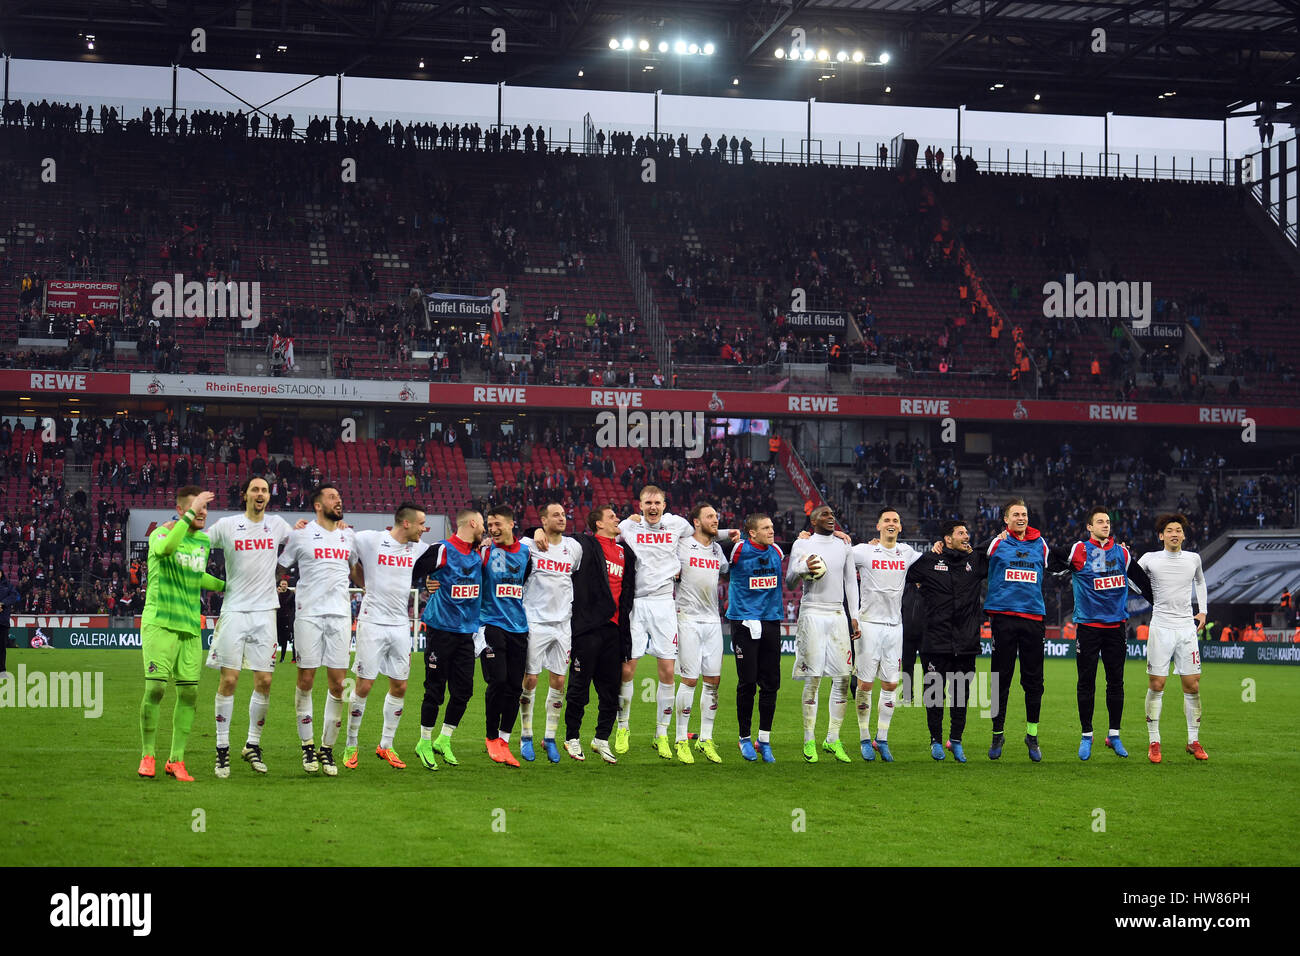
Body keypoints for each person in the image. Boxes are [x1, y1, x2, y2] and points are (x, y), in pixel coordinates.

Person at [611, 487, 738, 757]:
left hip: (665, 604)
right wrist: (537, 533)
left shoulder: (676, 524)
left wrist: (728, 534)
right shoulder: (628, 526)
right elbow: (601, 537)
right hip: (636, 603)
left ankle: (662, 734)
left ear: (665, 504)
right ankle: (623, 727)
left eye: (657, 502)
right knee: (627, 669)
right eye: (648, 503)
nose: (653, 507)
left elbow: (704, 535)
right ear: (640, 505)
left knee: (668, 671)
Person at [204, 476, 292, 777]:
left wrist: (326, 528)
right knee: (228, 681)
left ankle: (252, 745)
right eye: (255, 489)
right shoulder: (227, 526)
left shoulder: (278, 525)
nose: (260, 494)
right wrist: (176, 525)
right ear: (245, 496)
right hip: (234, 611)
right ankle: (222, 750)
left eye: (265, 490)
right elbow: (199, 541)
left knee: (264, 682)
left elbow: (302, 542)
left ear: (269, 496)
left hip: (265, 612)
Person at [137, 486, 225, 782]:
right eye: (197, 506)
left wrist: (228, 585)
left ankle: (176, 760)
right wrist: (189, 515)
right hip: (160, 623)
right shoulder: (160, 535)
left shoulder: (201, 541)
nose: (203, 512)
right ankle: (148, 754)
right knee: (156, 689)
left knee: (189, 693)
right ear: (180, 510)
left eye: (204, 507)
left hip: (189, 627)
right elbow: (167, 551)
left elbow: (196, 574)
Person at [1056, 507, 1153, 761]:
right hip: (1088, 627)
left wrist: (1164, 607)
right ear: (1089, 527)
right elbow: (1050, 557)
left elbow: (1141, 582)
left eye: (1108, 521)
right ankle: (1087, 734)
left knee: (1116, 682)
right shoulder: (1078, 550)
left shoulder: (1122, 553)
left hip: (1115, 627)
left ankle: (1114, 735)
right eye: (1100, 522)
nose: (1105, 525)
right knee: (1086, 682)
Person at [343, 502, 432, 770]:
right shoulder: (370, 540)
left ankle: (386, 745)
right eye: (421, 523)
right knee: (364, 685)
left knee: (400, 686)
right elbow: (345, 547)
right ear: (406, 523)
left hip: (399, 625)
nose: (424, 528)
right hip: (372, 623)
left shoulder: (419, 547)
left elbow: (449, 551)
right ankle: (350, 743)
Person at [277, 483, 356, 776]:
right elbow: (281, 566)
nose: (339, 500)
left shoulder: (349, 535)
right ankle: (307, 745)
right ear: (318, 505)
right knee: (307, 679)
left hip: (340, 617)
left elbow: (357, 569)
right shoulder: (301, 535)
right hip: (308, 613)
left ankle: (327, 750)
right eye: (332, 497)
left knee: (338, 684)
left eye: (339, 496)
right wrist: (271, 585)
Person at [984, 499, 1069, 762]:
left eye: (1024, 514)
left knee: (1034, 681)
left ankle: (1032, 736)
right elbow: (967, 556)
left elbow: (1069, 560)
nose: (1021, 518)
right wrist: (942, 545)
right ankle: (997, 734)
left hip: (1033, 619)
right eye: (1016, 514)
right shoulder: (995, 543)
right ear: (1005, 520)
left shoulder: (1041, 545)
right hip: (1003, 619)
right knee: (1001, 680)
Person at [905, 519, 987, 762]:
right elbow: (902, 572)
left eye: (967, 532)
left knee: (961, 695)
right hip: (934, 641)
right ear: (947, 539)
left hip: (966, 642)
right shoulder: (929, 561)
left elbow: (997, 546)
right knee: (934, 695)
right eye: (961, 533)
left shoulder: (976, 560)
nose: (966, 536)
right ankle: (936, 741)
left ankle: (956, 740)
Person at [409, 508, 485, 770]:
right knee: (435, 689)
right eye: (483, 523)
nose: (485, 528)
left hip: (467, 632)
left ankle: (444, 739)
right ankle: (424, 741)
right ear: (472, 522)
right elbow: (413, 571)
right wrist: (425, 583)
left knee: (463, 691)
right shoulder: (441, 549)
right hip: (441, 630)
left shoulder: (479, 552)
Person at [564, 504, 637, 763]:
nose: (617, 519)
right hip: (588, 629)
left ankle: (601, 739)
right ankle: (572, 737)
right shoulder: (584, 544)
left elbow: (627, 592)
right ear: (598, 525)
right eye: (611, 517)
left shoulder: (625, 553)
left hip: (615, 630)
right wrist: (536, 534)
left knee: (610, 690)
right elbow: (556, 539)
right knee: (579, 687)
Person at [786, 505, 859, 763]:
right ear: (813, 520)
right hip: (812, 612)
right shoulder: (803, 544)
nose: (831, 518)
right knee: (813, 678)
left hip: (838, 613)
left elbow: (851, 581)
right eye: (825, 515)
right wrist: (803, 568)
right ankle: (809, 740)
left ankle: (832, 739)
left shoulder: (844, 545)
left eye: (832, 515)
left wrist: (855, 617)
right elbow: (789, 581)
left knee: (841, 678)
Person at [850, 507, 923, 762]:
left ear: (900, 528)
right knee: (865, 685)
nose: (891, 524)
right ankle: (863, 737)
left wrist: (938, 545)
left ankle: (882, 738)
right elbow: (838, 557)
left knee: (891, 684)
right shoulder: (864, 551)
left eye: (895, 521)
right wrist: (834, 537)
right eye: (887, 520)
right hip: (868, 625)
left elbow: (933, 561)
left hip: (895, 627)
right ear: (878, 526)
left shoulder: (908, 553)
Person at [1137, 514, 1208, 763]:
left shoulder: (1193, 559)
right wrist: (1146, 593)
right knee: (1157, 685)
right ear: (1161, 535)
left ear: (1184, 535)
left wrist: (1203, 610)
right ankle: (1154, 741)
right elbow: (1132, 577)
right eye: (1169, 530)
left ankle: (1193, 741)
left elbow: (1200, 580)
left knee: (1192, 685)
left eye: (1178, 530)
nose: (1174, 534)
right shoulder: (1150, 559)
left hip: (1186, 628)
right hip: (1161, 627)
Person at [520, 501, 583, 763]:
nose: (562, 518)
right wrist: (533, 532)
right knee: (531, 680)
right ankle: (525, 736)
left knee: (559, 681)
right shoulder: (529, 545)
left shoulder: (573, 548)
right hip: (535, 621)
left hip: (562, 624)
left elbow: (575, 575)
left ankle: (549, 737)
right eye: (555, 515)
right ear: (542, 520)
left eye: (564, 514)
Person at [672, 502, 729, 763]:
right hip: (688, 618)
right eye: (709, 516)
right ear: (696, 521)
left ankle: (705, 739)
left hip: (712, 621)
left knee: (713, 681)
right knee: (690, 680)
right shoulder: (681, 544)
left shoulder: (717, 550)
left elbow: (727, 569)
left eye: (716, 516)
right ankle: (681, 739)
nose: (715, 520)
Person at [727, 513, 785, 762]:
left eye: (771, 526)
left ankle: (764, 739)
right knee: (748, 683)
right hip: (743, 621)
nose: (772, 531)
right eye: (766, 527)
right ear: (752, 533)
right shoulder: (739, 549)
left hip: (771, 620)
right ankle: (743, 738)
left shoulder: (777, 552)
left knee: (771, 684)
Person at [475, 505, 530, 766]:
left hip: (518, 627)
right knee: (497, 681)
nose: (493, 529)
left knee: (515, 687)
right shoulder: (485, 552)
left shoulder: (526, 552)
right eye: (490, 524)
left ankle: (504, 741)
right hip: (491, 624)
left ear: (511, 524)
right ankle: (490, 737)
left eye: (498, 524)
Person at [0, 572, 19, 674]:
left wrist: (2, 604)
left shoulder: (7, 585)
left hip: (3, 621)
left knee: (2, 648)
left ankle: (2, 671)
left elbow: (14, 596)